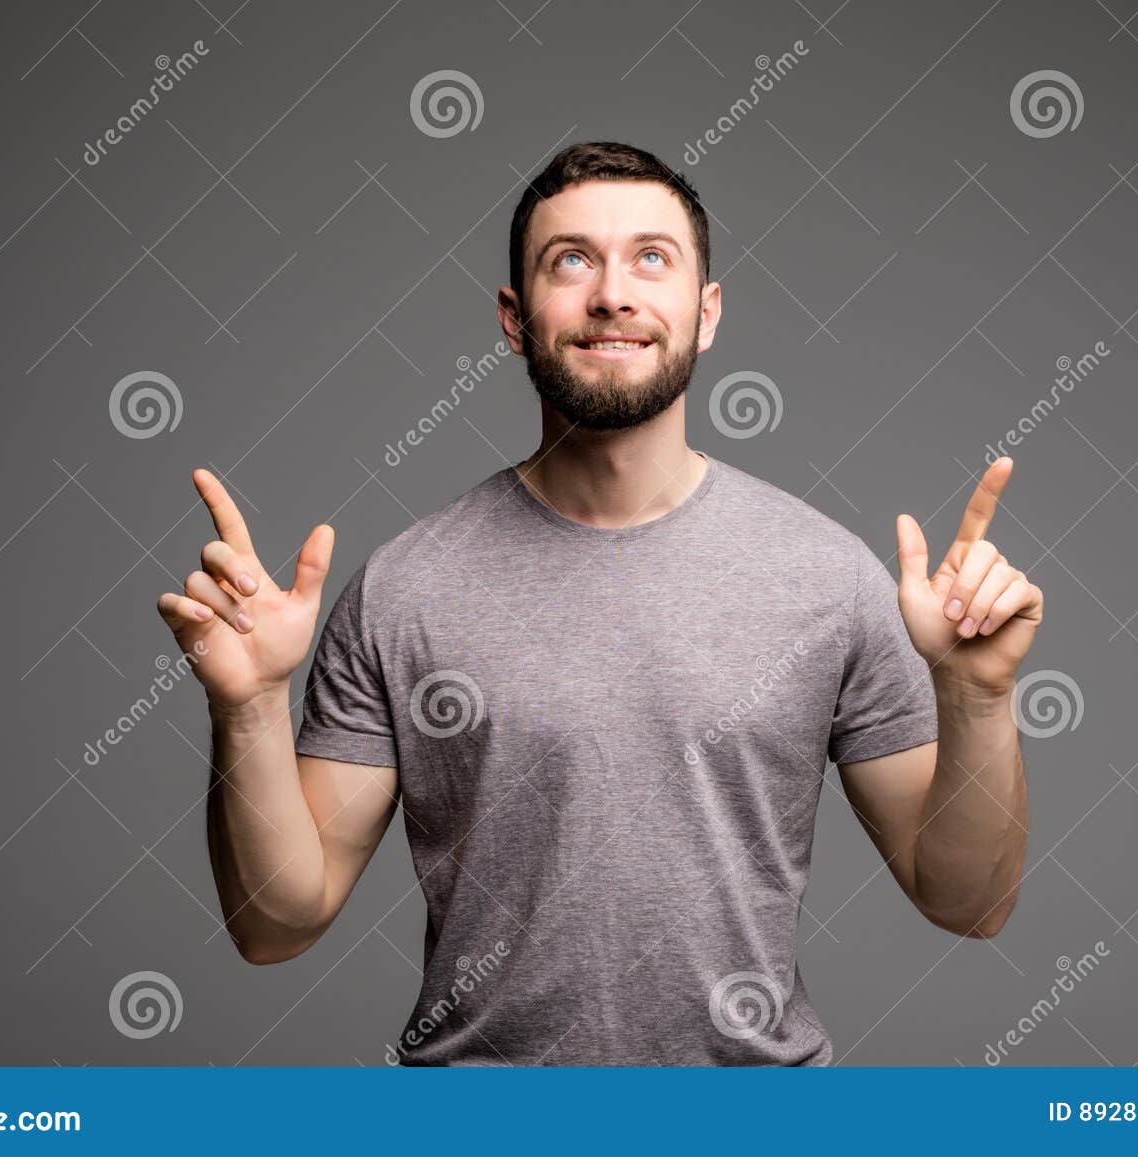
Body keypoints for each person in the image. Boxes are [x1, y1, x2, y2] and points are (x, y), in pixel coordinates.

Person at [155, 141, 1041, 1065]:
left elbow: (969, 904)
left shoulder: (828, 577)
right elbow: (276, 925)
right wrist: (249, 704)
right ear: (513, 318)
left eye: (651, 257)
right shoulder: (404, 588)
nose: (612, 293)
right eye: (570, 259)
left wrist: (977, 700)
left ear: (705, 315)